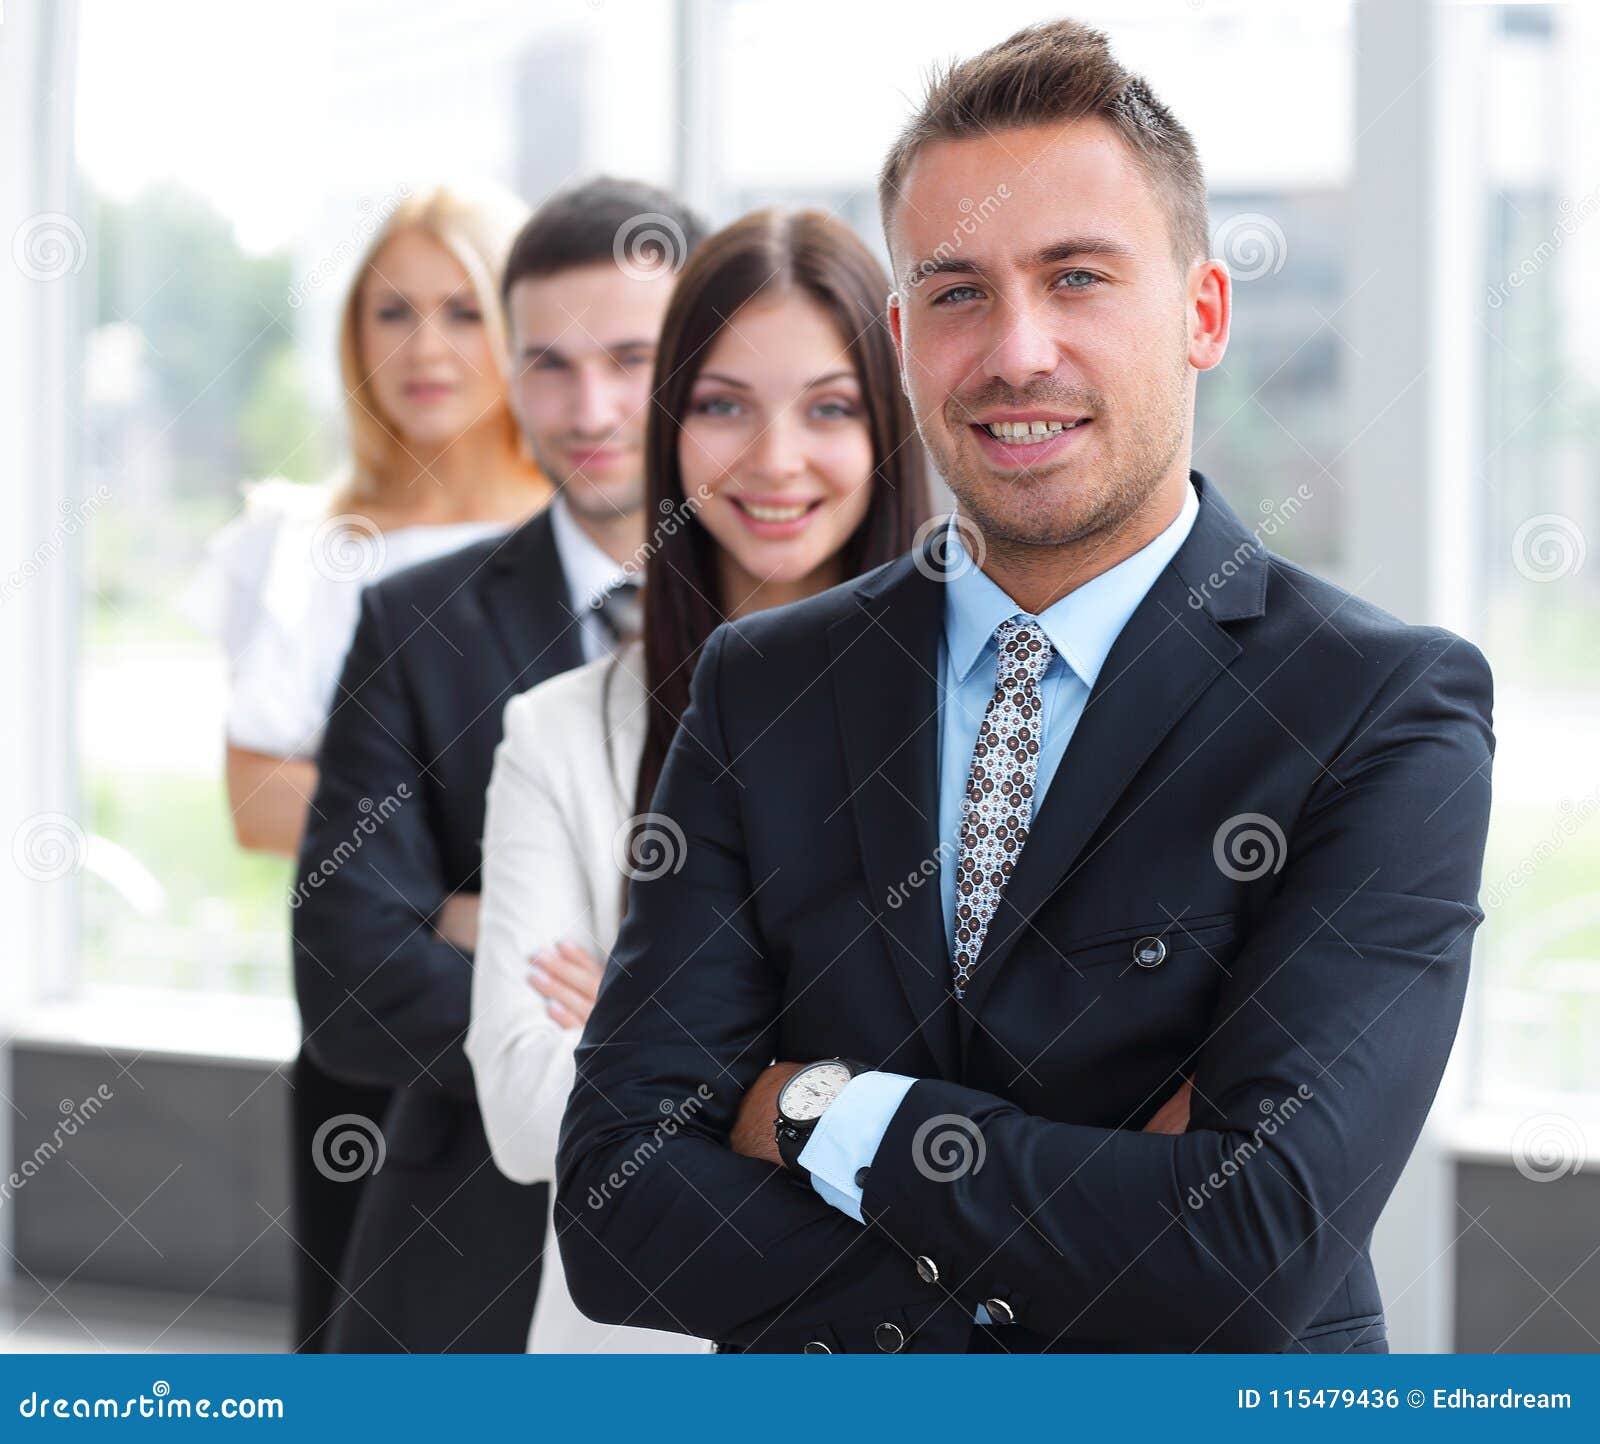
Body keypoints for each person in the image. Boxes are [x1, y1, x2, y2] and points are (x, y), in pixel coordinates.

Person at [556, 20, 1495, 1354]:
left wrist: (820, 1113)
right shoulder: (764, 686)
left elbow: (1251, 1247)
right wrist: (1104, 1208)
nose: (1015, 351)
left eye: (1078, 279)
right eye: (956, 293)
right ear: (900, 338)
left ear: (1203, 314)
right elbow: (613, 1208)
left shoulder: (1377, 712)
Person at [467, 208, 935, 1352]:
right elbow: (529, 1122)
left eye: (829, 407)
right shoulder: (561, 732)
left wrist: (655, 1049)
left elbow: (1025, 1116)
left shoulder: (978, 711)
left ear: (889, 427)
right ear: (671, 428)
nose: (773, 459)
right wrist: (828, 1089)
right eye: (724, 405)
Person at [291, 177, 706, 1352]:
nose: (590, 408)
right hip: (461, 1266)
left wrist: (511, 933)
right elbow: (347, 974)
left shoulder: (808, 621)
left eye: (633, 357)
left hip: (737, 1279)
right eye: (548, 365)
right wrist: (679, 1027)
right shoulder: (415, 623)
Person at [186, 182, 547, 1351]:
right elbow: (252, 794)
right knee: (355, 1326)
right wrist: (427, 900)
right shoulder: (303, 545)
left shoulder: (593, 537)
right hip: (373, 1019)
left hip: (555, 1010)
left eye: (460, 309)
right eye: (392, 314)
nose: (425, 347)